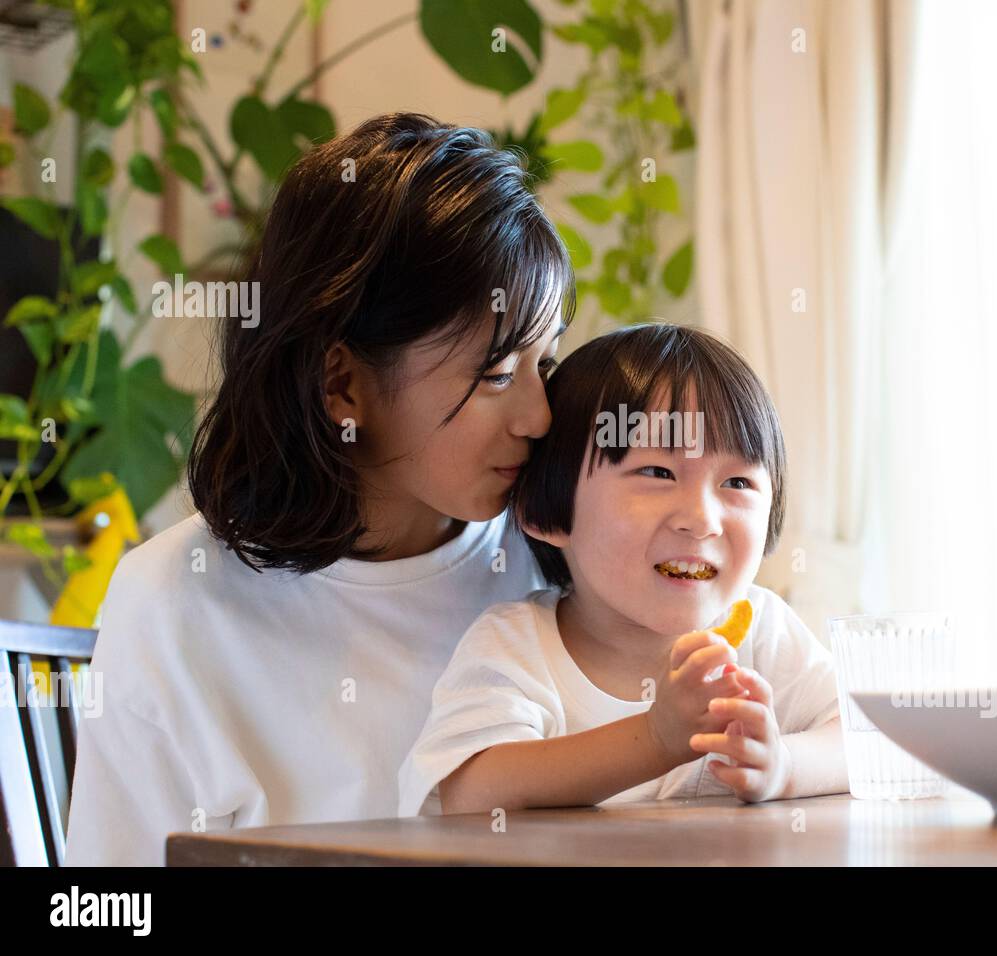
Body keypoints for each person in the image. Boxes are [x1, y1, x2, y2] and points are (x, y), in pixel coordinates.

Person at [64, 113, 573, 865]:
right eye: (496, 374)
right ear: (343, 385)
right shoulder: (175, 603)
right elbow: (114, 898)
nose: (538, 416)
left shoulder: (563, 562)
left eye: (547, 365)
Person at [398, 324, 848, 816]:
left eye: (737, 482)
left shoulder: (762, 631)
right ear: (548, 512)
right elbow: (473, 793)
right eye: (657, 473)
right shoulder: (517, 645)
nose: (701, 520)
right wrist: (655, 738)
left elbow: (864, 739)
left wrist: (784, 765)